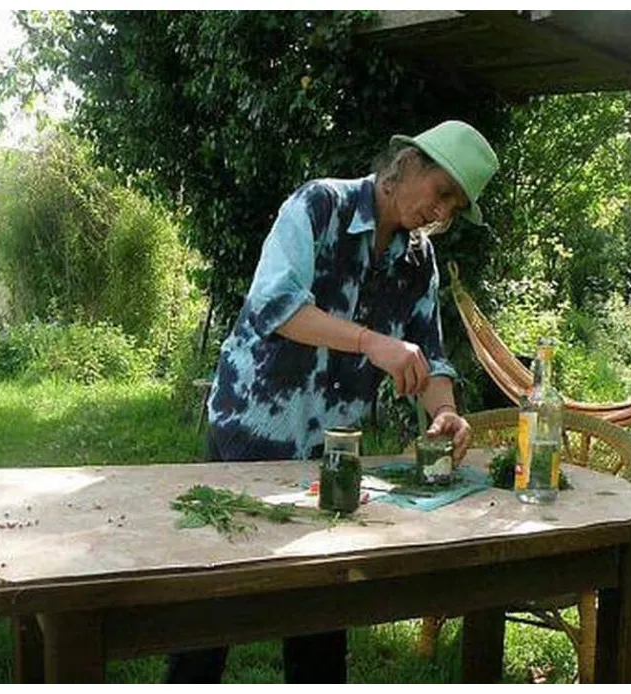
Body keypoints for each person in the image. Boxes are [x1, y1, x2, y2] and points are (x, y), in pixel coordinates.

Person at [167, 120, 499, 684]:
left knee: (321, 615)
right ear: (407, 165)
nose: (440, 214)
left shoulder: (420, 260)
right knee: (214, 604)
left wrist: (444, 409)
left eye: (454, 208)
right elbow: (275, 306)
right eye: (442, 193)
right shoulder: (320, 205)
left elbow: (432, 355)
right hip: (250, 433)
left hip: (331, 456)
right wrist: (371, 341)